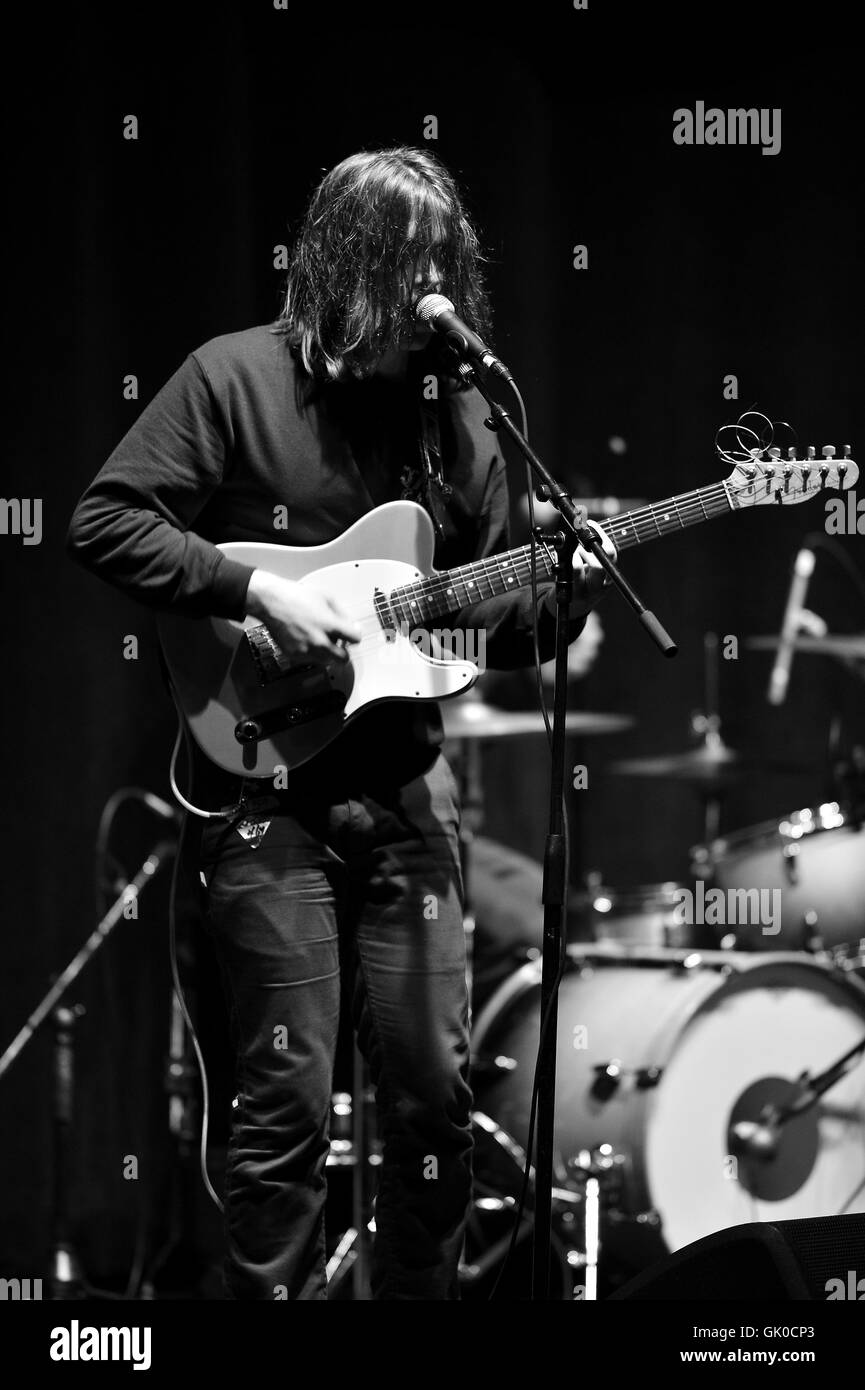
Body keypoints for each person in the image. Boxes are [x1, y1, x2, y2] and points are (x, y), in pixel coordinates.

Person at [66, 146, 615, 1300]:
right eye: (410, 265)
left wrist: (565, 589)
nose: (436, 293)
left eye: (449, 267)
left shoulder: (460, 414)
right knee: (283, 1112)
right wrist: (252, 588)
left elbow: (496, 631)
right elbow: (105, 518)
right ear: (345, 262)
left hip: (406, 798)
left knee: (432, 1103)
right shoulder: (234, 378)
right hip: (264, 799)